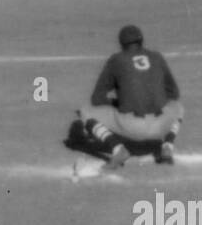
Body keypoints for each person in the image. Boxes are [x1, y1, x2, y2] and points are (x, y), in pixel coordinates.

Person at [76, 24, 183, 167]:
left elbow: (97, 98)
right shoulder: (157, 57)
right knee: (178, 107)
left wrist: (119, 102)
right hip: (162, 125)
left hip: (133, 127)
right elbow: (174, 93)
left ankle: (118, 149)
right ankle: (167, 146)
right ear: (142, 41)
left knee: (86, 111)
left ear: (121, 44)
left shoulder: (117, 59)